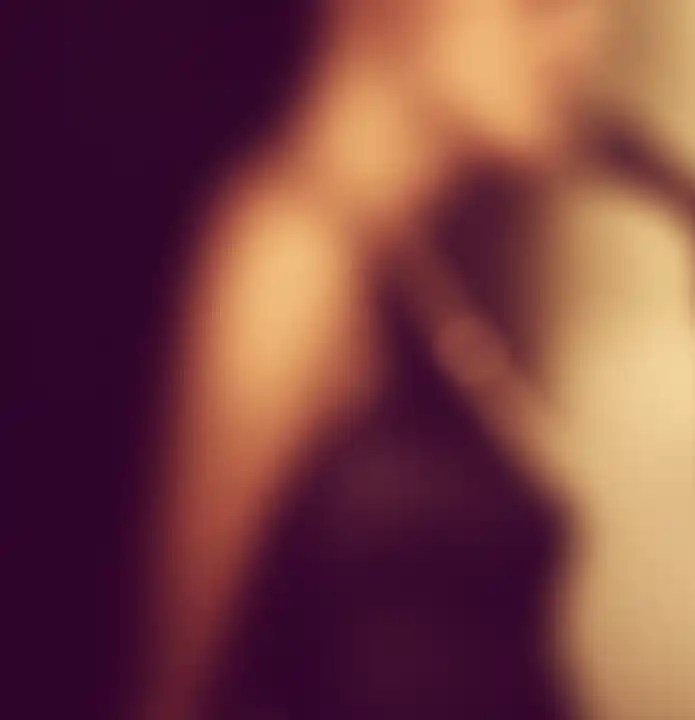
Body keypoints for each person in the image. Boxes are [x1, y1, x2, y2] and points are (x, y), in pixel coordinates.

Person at [135, 1, 606, 718]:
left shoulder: (419, 268)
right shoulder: (288, 255)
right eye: (539, 7)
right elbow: (178, 683)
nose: (588, 40)